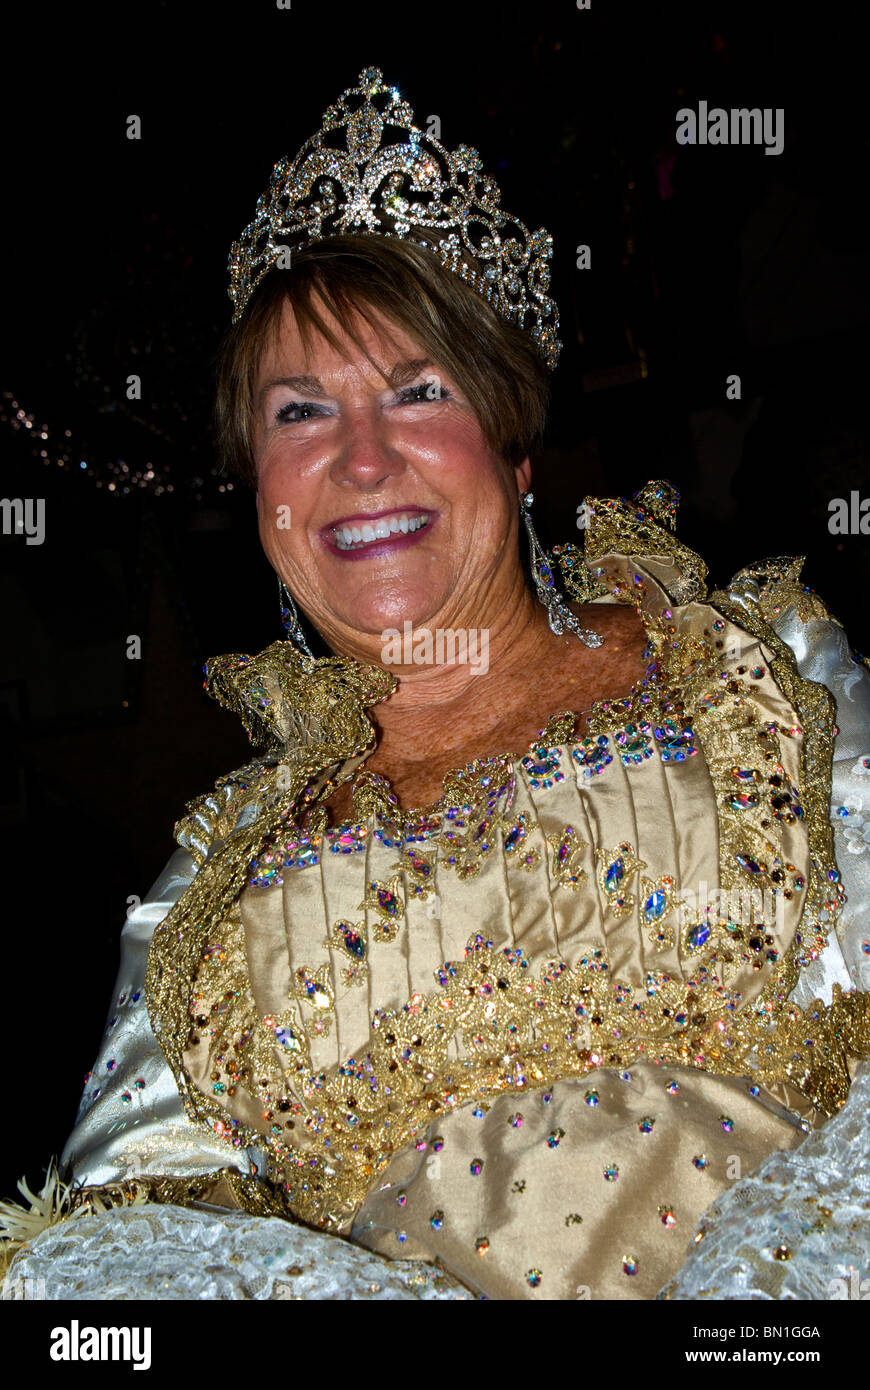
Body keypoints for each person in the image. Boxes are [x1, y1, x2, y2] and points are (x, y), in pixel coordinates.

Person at [2, 66, 869, 1302]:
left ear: (515, 448)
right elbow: (107, 1250)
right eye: (301, 412)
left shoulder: (754, 681)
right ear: (262, 490)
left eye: (418, 392)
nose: (361, 459)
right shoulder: (211, 892)